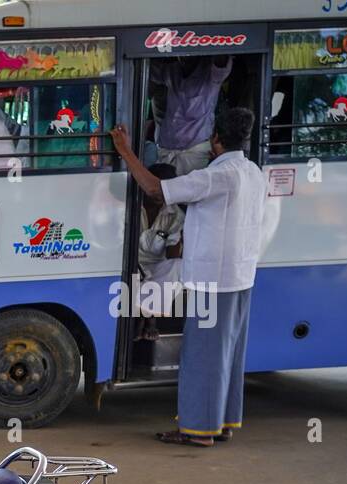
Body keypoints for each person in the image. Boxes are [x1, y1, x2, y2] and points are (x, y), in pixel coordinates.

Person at [112, 107, 266, 447]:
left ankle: (198, 430)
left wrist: (126, 152)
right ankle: (221, 422)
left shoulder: (215, 176)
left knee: (201, 355)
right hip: (241, 276)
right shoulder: (253, 172)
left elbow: (155, 189)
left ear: (215, 140)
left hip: (213, 279)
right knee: (227, 352)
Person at [149, 56, 232, 175]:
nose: (183, 58)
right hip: (166, 151)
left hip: (194, 154)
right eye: (181, 55)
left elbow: (222, 60)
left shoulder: (211, 75)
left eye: (189, 55)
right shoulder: (173, 70)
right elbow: (150, 70)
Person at [136, 162, 184, 340]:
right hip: (132, 264)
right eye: (157, 188)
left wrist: (181, 241)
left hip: (157, 270)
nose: (160, 194)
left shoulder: (176, 215)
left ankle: (146, 316)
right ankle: (147, 319)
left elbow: (171, 257)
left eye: (166, 189)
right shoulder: (132, 205)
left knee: (177, 267)